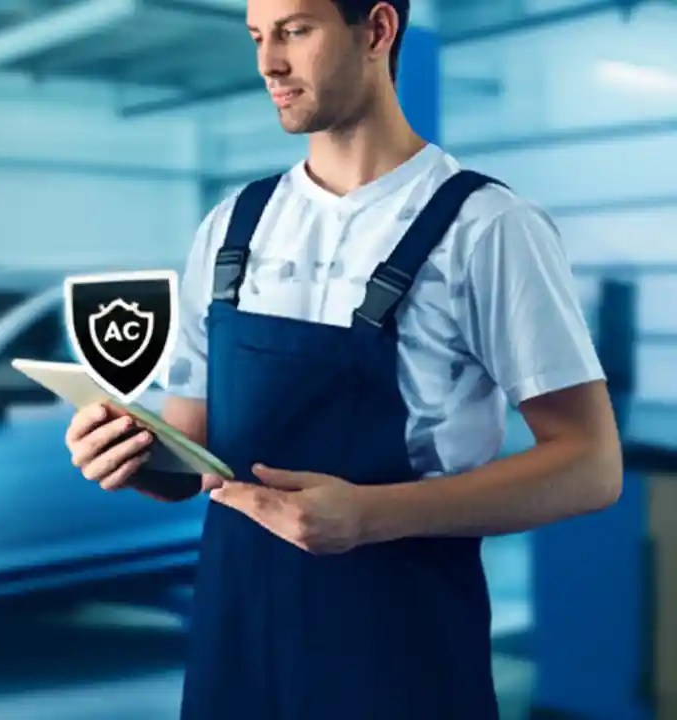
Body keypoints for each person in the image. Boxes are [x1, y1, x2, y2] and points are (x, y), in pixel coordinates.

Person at [63, 0, 624, 718]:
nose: (268, 63)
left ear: (379, 30)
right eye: (258, 37)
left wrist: (370, 516)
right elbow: (195, 451)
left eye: (295, 31)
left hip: (401, 654)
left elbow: (590, 463)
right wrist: (136, 456)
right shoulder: (233, 224)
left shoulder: (487, 228)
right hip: (236, 650)